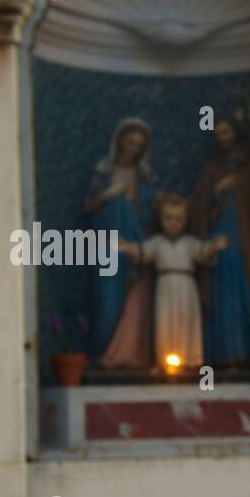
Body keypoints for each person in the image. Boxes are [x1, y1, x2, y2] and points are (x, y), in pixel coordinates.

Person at [190, 112, 250, 366]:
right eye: (217, 134)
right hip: (221, 232)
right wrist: (217, 192)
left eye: (226, 132)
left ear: (237, 132)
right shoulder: (213, 168)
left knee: (248, 287)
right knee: (222, 292)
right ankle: (223, 354)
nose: (222, 138)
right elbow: (197, 207)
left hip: (247, 236)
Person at [119, 192, 227, 371]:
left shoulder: (189, 242)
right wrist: (126, 247)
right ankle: (164, 361)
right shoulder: (158, 242)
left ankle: (190, 361)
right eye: (169, 218)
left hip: (186, 288)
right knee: (164, 323)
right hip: (165, 288)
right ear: (161, 219)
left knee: (187, 322)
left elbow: (203, 252)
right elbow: (142, 252)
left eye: (178, 219)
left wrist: (213, 247)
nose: (173, 223)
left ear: (185, 221)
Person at [85, 117, 159, 362]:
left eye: (140, 144)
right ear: (119, 142)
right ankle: (102, 353)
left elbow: (154, 213)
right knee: (109, 304)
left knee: (136, 307)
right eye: (130, 142)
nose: (134, 148)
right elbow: (89, 208)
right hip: (108, 247)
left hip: (137, 248)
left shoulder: (146, 178)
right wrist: (109, 196)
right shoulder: (103, 174)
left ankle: (133, 356)